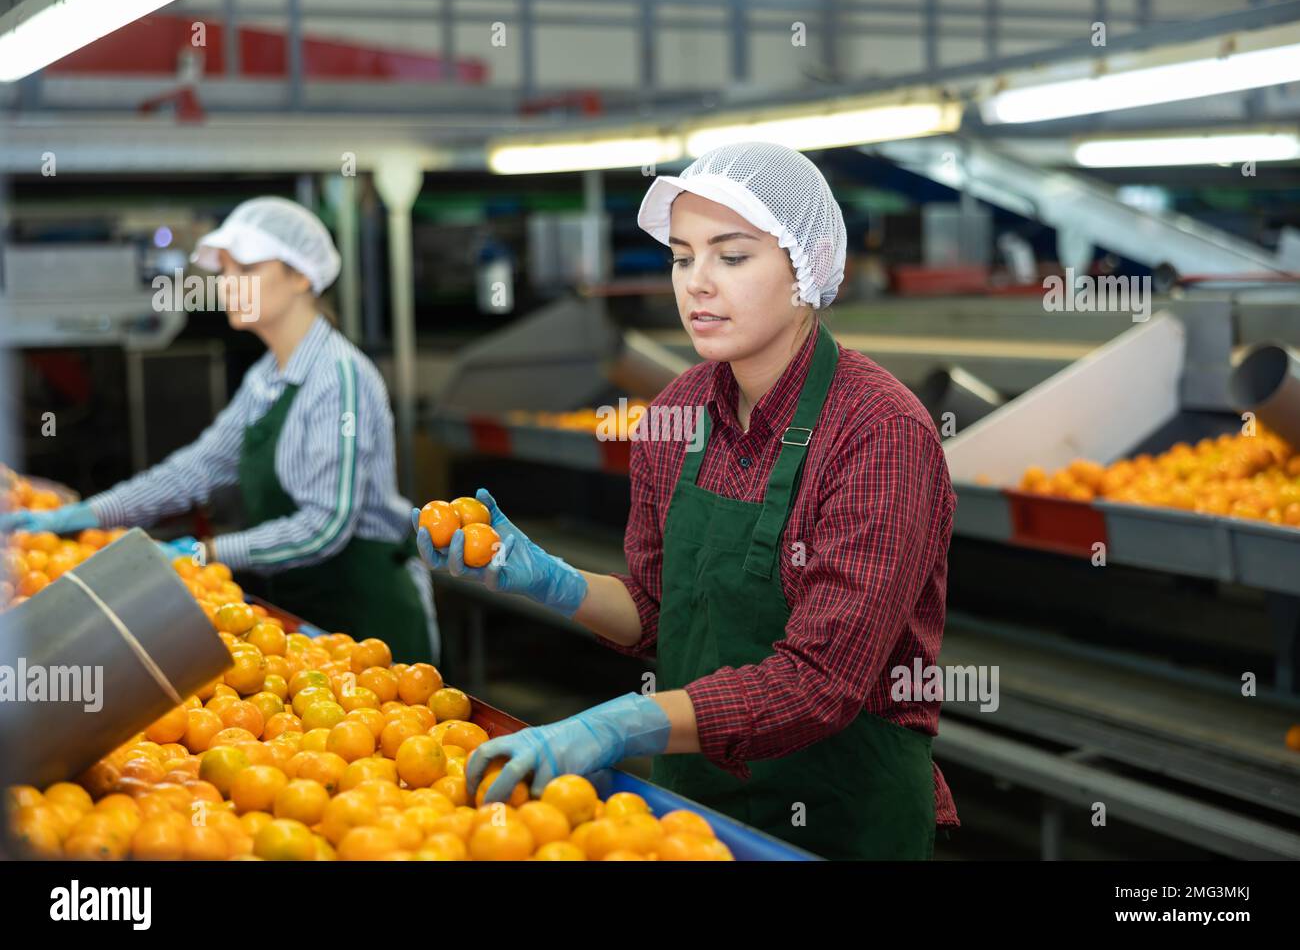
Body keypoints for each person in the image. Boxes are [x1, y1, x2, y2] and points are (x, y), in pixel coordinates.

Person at [413, 142, 957, 858]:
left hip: (841, 812)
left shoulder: (879, 434)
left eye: (731, 257)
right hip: (694, 809)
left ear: (808, 266)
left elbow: (822, 683)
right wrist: (549, 581)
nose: (697, 283)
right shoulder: (675, 414)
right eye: (680, 256)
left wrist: (620, 725)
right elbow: (659, 612)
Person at [2, 197, 438, 663]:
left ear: (301, 277)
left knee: (385, 721)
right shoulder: (267, 377)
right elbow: (195, 470)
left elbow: (324, 528)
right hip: (304, 612)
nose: (228, 286)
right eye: (225, 272)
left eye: (246, 270)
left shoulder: (339, 378)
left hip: (369, 612)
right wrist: (86, 514)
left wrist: (203, 553)